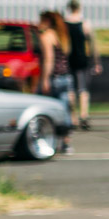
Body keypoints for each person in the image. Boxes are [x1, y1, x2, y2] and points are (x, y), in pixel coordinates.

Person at [36, 10, 75, 153]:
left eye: (40, 20)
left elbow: (49, 59)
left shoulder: (46, 36)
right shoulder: (62, 36)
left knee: (47, 110)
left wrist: (45, 79)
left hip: (55, 78)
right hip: (66, 77)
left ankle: (49, 140)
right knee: (65, 110)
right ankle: (66, 143)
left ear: (46, 21)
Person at [63, 0, 100, 128]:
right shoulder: (84, 23)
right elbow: (93, 45)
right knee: (83, 89)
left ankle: (73, 118)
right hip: (81, 60)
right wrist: (96, 62)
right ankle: (84, 115)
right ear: (79, 7)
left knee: (71, 90)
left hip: (67, 60)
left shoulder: (64, 24)